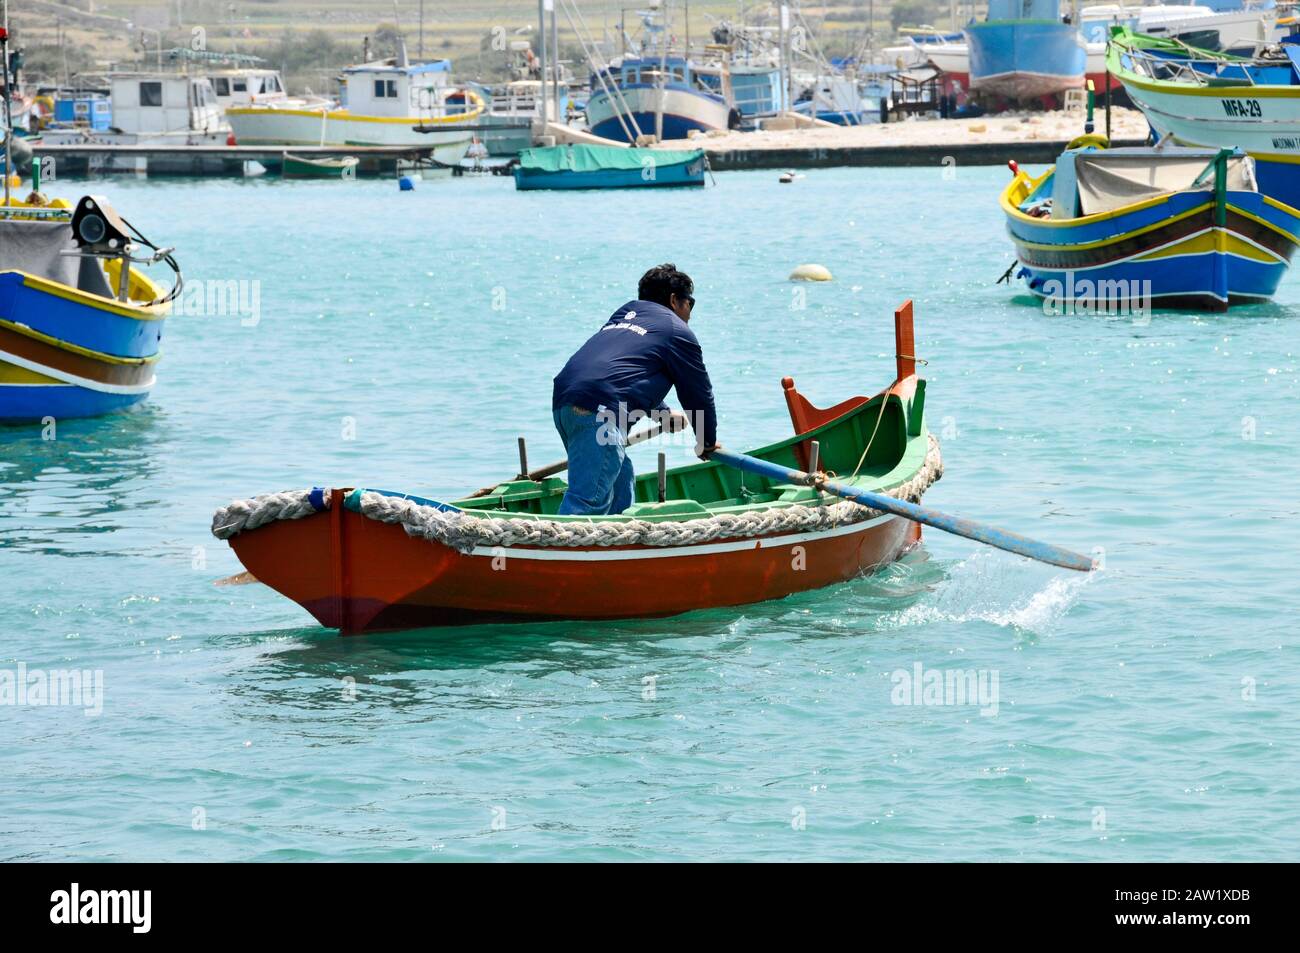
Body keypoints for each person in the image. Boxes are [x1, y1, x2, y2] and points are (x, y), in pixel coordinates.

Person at [552, 263, 719, 516]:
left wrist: (662, 414)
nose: (690, 313)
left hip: (565, 404)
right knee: (586, 503)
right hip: (599, 413)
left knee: (621, 479)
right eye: (690, 303)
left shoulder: (626, 314)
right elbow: (698, 393)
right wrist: (706, 442)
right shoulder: (677, 331)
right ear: (675, 300)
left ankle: (618, 548)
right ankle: (562, 551)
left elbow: (624, 373)